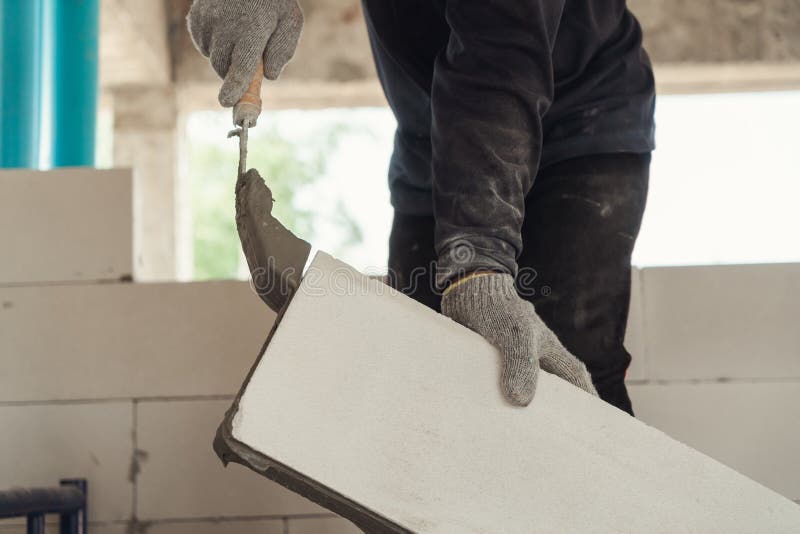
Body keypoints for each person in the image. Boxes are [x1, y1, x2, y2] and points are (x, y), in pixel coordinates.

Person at [187, 0, 655, 415]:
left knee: (571, 367)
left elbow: (498, 55)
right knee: (425, 377)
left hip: (580, 123)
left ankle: (601, 509)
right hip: (431, 134)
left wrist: (477, 265)